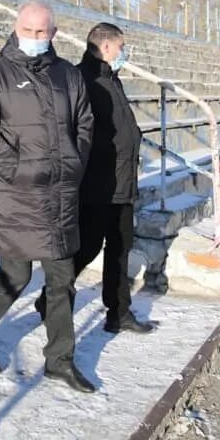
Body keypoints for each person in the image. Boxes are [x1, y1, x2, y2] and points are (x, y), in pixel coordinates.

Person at [0, 0, 96, 393]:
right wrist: (21, 168)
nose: (36, 38)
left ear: (54, 33)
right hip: (17, 195)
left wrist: (73, 163)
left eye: (43, 32)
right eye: (29, 31)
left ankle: (59, 360)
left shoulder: (68, 74)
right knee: (15, 275)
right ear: (17, 28)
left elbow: (84, 122)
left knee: (62, 279)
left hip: (61, 193)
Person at [37, 23, 154, 333]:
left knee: (120, 247)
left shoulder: (110, 78)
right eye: (121, 47)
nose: (123, 53)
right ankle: (50, 299)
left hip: (122, 181)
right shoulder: (82, 79)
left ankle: (118, 313)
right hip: (97, 184)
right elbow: (79, 133)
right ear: (105, 47)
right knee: (87, 247)